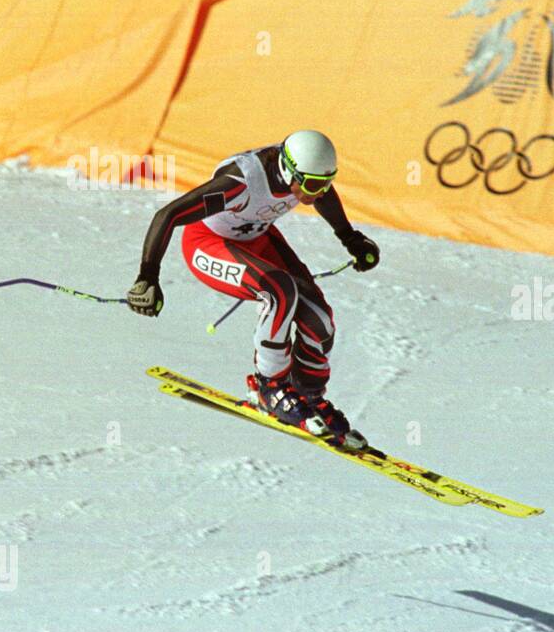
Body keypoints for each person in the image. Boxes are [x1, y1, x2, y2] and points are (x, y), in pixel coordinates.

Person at [127, 130, 379, 449]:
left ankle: (308, 396)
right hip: (208, 243)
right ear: (289, 170)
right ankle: (268, 386)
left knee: (320, 321)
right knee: (279, 290)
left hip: (255, 238)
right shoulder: (240, 183)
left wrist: (349, 237)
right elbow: (168, 214)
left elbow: (324, 192)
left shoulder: (301, 175)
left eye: (326, 182)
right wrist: (148, 276)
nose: (319, 193)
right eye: (313, 185)